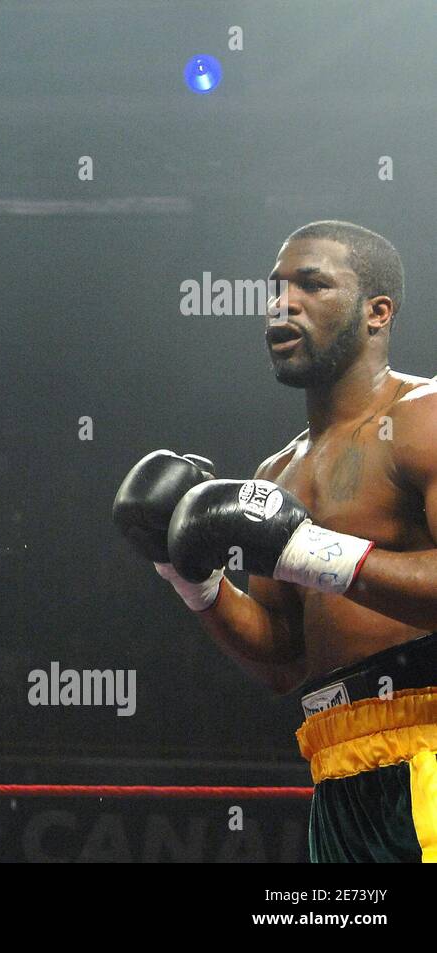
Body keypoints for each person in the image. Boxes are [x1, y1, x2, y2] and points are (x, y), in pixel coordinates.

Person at [115, 220, 437, 862]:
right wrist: (187, 577)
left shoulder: (424, 418)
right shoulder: (275, 474)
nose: (283, 303)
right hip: (338, 769)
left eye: (313, 284)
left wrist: (306, 550)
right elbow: (283, 660)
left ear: (378, 312)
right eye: (277, 287)